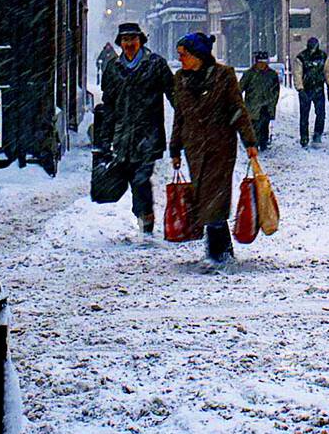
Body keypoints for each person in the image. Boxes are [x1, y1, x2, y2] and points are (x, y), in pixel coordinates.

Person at [170, 33, 258, 264]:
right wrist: (175, 148)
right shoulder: (181, 79)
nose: (180, 59)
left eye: (183, 55)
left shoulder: (224, 76)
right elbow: (180, 116)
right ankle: (220, 249)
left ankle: (218, 252)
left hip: (220, 147)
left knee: (214, 198)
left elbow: (238, 109)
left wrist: (249, 141)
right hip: (194, 148)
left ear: (197, 55)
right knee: (204, 198)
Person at [100, 22, 175, 234]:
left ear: (140, 40)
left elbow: (173, 93)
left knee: (141, 178)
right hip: (123, 137)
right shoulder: (113, 69)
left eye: (133, 39)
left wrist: (187, 117)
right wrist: (105, 140)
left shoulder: (155, 65)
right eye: (125, 40)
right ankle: (142, 212)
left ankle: (147, 219)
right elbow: (109, 107)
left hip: (148, 134)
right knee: (133, 180)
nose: (129, 43)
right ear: (120, 43)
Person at [295, 36, 329, 149]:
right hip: (306, 89)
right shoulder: (301, 58)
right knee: (304, 115)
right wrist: (300, 89)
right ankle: (304, 137)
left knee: (320, 114)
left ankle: (317, 134)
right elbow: (298, 74)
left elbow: (327, 72)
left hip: (318, 88)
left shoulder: (322, 56)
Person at [240, 51, 281, 152]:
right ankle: (254, 144)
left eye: (264, 62)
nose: (262, 65)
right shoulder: (249, 74)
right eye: (260, 62)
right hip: (253, 105)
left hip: (267, 105)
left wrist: (272, 102)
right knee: (254, 125)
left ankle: (263, 142)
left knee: (264, 125)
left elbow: (276, 90)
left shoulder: (272, 75)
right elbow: (240, 88)